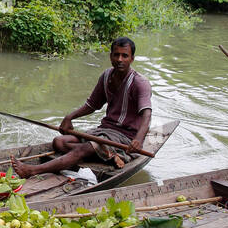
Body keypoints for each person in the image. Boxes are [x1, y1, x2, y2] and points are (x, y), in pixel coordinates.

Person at [12, 37, 152, 177]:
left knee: (83, 149)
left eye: (125, 56)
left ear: (132, 59)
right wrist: (69, 117)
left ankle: (31, 170)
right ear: (111, 56)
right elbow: (92, 105)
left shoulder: (140, 83)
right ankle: (109, 155)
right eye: (116, 55)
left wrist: (138, 140)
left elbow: (146, 115)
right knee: (59, 142)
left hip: (125, 137)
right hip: (105, 131)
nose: (120, 59)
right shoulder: (106, 76)